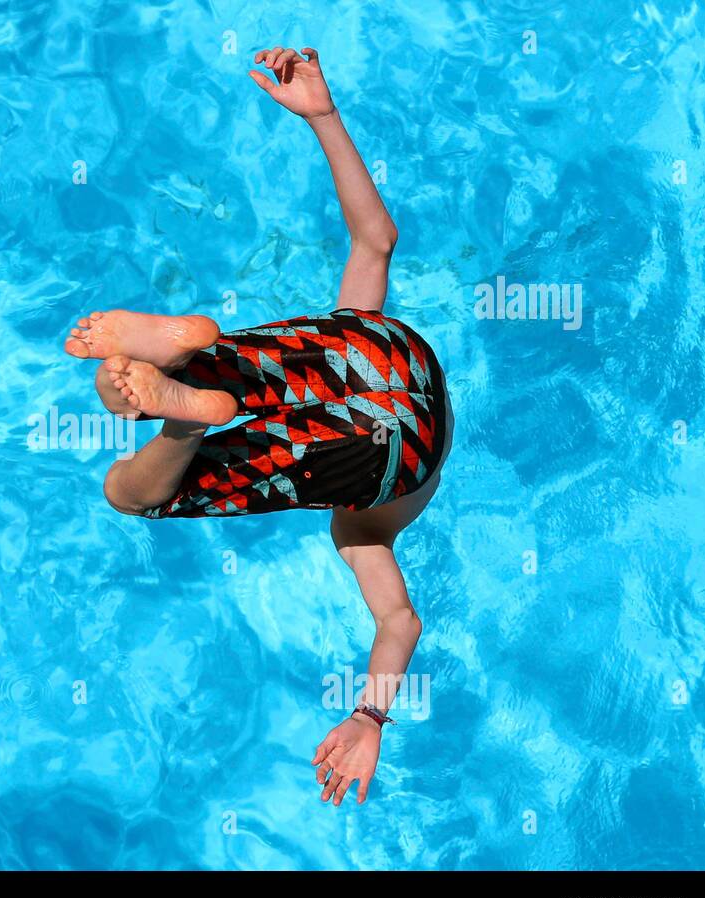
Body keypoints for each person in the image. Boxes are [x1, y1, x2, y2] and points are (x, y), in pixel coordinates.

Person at [64, 45, 454, 806]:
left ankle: (180, 365)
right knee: (130, 493)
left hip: (389, 354)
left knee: (261, 369)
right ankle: (179, 424)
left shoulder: (365, 333)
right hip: (385, 457)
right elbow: (397, 621)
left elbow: (376, 239)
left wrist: (323, 116)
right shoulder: (362, 526)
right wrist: (368, 717)